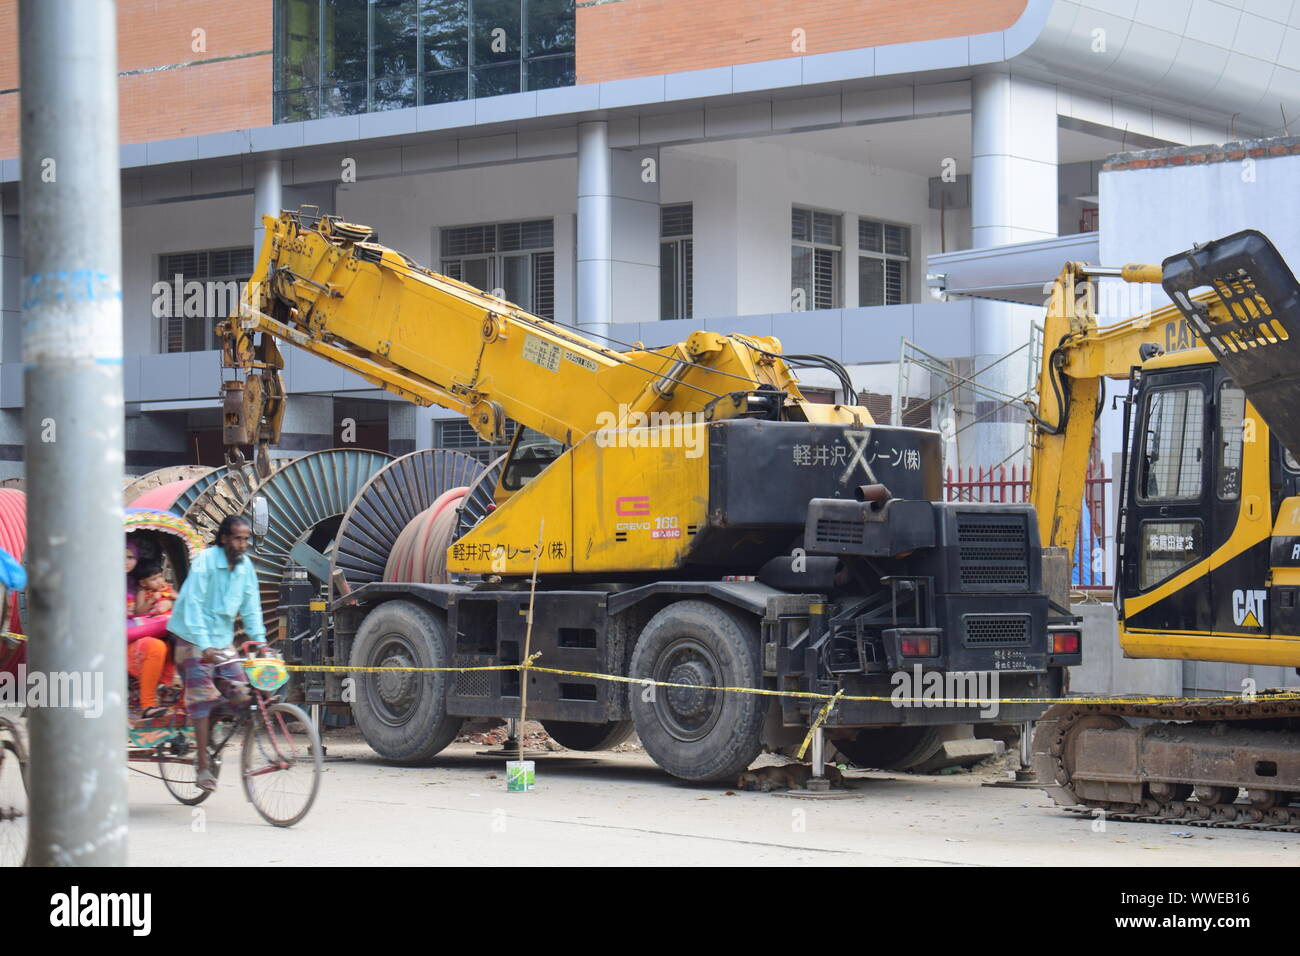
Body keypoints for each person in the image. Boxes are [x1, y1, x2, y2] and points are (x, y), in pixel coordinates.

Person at [168, 514, 267, 791]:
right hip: (190, 637)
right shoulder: (205, 562)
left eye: (246, 539)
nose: (242, 544)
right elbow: (194, 605)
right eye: (237, 539)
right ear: (224, 538)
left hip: (221, 641)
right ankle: (202, 765)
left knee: (242, 693)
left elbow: (251, 608)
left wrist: (261, 643)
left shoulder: (245, 568)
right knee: (202, 697)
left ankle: (208, 729)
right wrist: (204, 646)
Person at [127, 562, 179, 720]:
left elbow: (181, 599)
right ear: (143, 582)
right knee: (156, 647)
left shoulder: (166, 589)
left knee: (178, 643)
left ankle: (169, 691)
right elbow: (139, 611)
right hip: (133, 635)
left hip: (163, 630)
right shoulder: (141, 592)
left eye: (131, 557)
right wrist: (151, 602)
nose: (159, 581)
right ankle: (148, 704)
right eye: (153, 579)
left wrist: (170, 601)